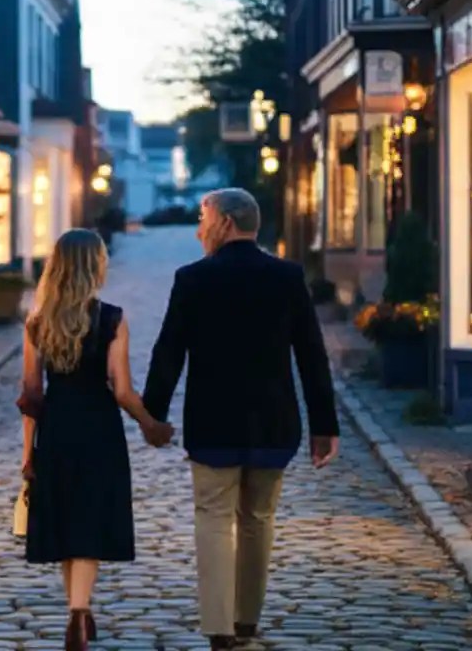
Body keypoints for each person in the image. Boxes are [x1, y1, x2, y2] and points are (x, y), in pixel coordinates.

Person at [142, 188, 340, 651]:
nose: (198, 228)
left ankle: (219, 628)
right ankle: (246, 620)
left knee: (213, 518)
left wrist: (154, 415)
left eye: (203, 217)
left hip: (213, 422)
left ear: (227, 223)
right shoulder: (287, 277)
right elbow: (312, 356)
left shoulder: (193, 279)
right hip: (273, 423)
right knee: (258, 519)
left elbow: (168, 352)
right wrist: (323, 425)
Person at [18, 228, 174, 651]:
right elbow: (121, 389)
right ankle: (78, 613)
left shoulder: (36, 323)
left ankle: (78, 609)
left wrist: (27, 454)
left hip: (57, 428)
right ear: (94, 266)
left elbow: (31, 397)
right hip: (100, 429)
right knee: (88, 521)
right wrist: (149, 423)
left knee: (68, 520)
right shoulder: (111, 319)